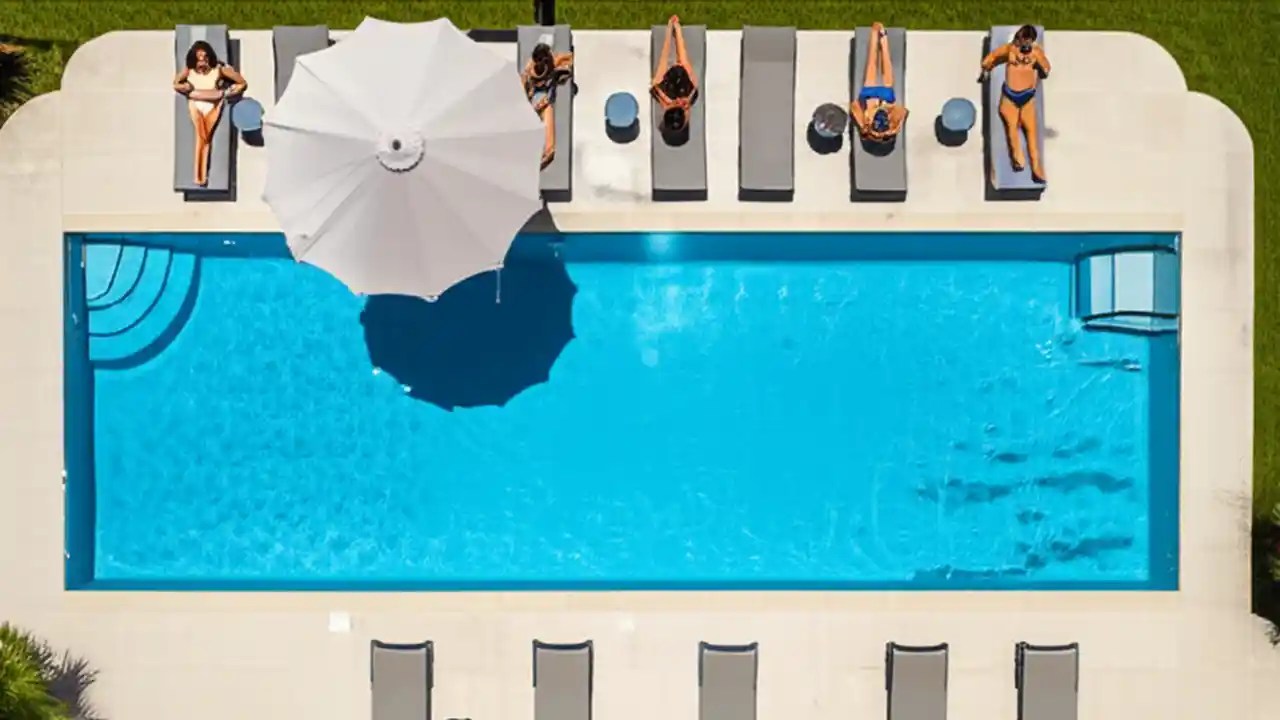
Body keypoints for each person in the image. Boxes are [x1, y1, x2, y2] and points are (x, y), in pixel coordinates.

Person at [979, 24, 1051, 182]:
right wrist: (986, 67)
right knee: (1012, 129)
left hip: (1027, 99)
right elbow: (993, 56)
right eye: (1022, 40)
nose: (1025, 44)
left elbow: (1046, 66)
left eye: (1028, 41)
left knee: (1031, 134)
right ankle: (1018, 160)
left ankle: (1037, 170)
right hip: (1009, 98)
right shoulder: (1010, 50)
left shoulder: (1036, 53)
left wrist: (1043, 69)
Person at [172, 40, 247, 186]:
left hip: (213, 105)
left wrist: (228, 92)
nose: (202, 61)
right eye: (198, 57)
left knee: (205, 138)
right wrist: (185, 87)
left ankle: (200, 176)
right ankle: (200, 176)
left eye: (205, 57)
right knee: (202, 138)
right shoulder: (189, 70)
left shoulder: (219, 69)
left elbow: (241, 82)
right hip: (196, 105)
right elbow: (176, 83)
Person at [849, 22, 908, 144]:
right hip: (871, 97)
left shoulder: (882, 128)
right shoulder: (867, 127)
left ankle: (881, 37)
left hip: (881, 99)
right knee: (873, 62)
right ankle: (877, 35)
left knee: (882, 64)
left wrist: (892, 128)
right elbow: (854, 107)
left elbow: (903, 111)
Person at [521, 42, 574, 169]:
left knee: (550, 150)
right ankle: (531, 166)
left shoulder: (552, 63)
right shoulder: (529, 72)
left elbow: (568, 58)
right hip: (539, 101)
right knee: (549, 149)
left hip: (543, 99)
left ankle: (534, 166)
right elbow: (522, 96)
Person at [650, 14, 699, 137]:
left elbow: (664, 57)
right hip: (680, 76)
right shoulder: (691, 90)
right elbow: (684, 61)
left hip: (669, 77)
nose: (681, 102)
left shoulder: (659, 87)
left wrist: (670, 30)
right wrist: (677, 29)